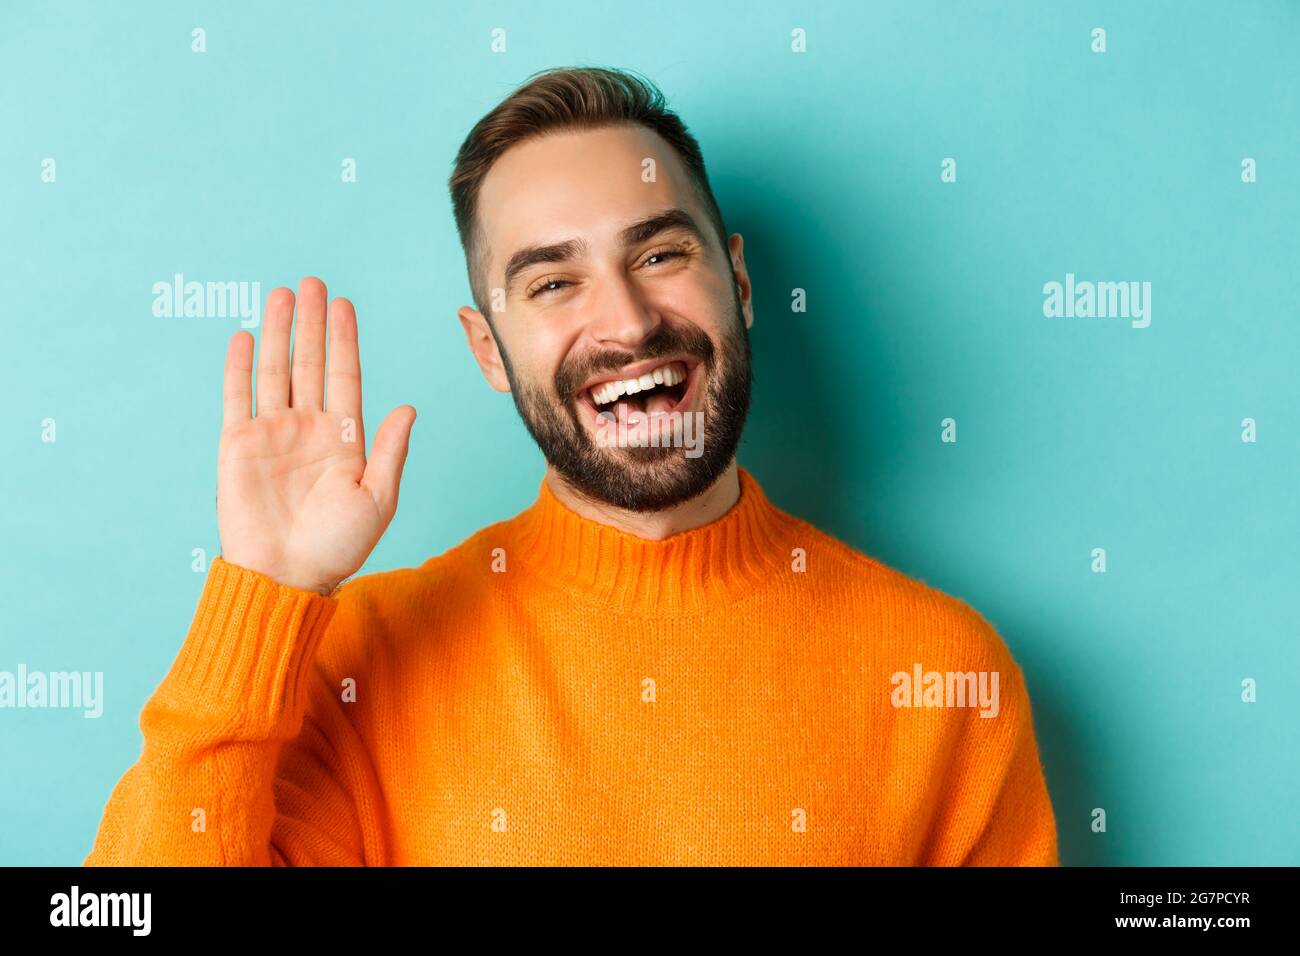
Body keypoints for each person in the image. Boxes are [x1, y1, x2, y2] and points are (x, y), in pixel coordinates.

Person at [85, 66, 1058, 866]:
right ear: (486, 348)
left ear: (740, 279)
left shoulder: (941, 670)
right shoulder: (360, 666)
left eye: (661, 254)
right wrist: (264, 593)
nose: (629, 324)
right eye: (553, 281)